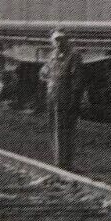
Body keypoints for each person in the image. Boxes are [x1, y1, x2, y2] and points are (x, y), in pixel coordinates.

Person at [39, 29, 82, 168]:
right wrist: (46, 76)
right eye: (56, 40)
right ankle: (58, 160)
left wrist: (75, 99)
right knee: (54, 127)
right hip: (52, 94)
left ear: (66, 40)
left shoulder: (73, 55)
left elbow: (77, 79)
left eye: (61, 39)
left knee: (64, 129)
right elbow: (43, 72)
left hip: (65, 95)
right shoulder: (53, 55)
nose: (58, 43)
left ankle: (64, 162)